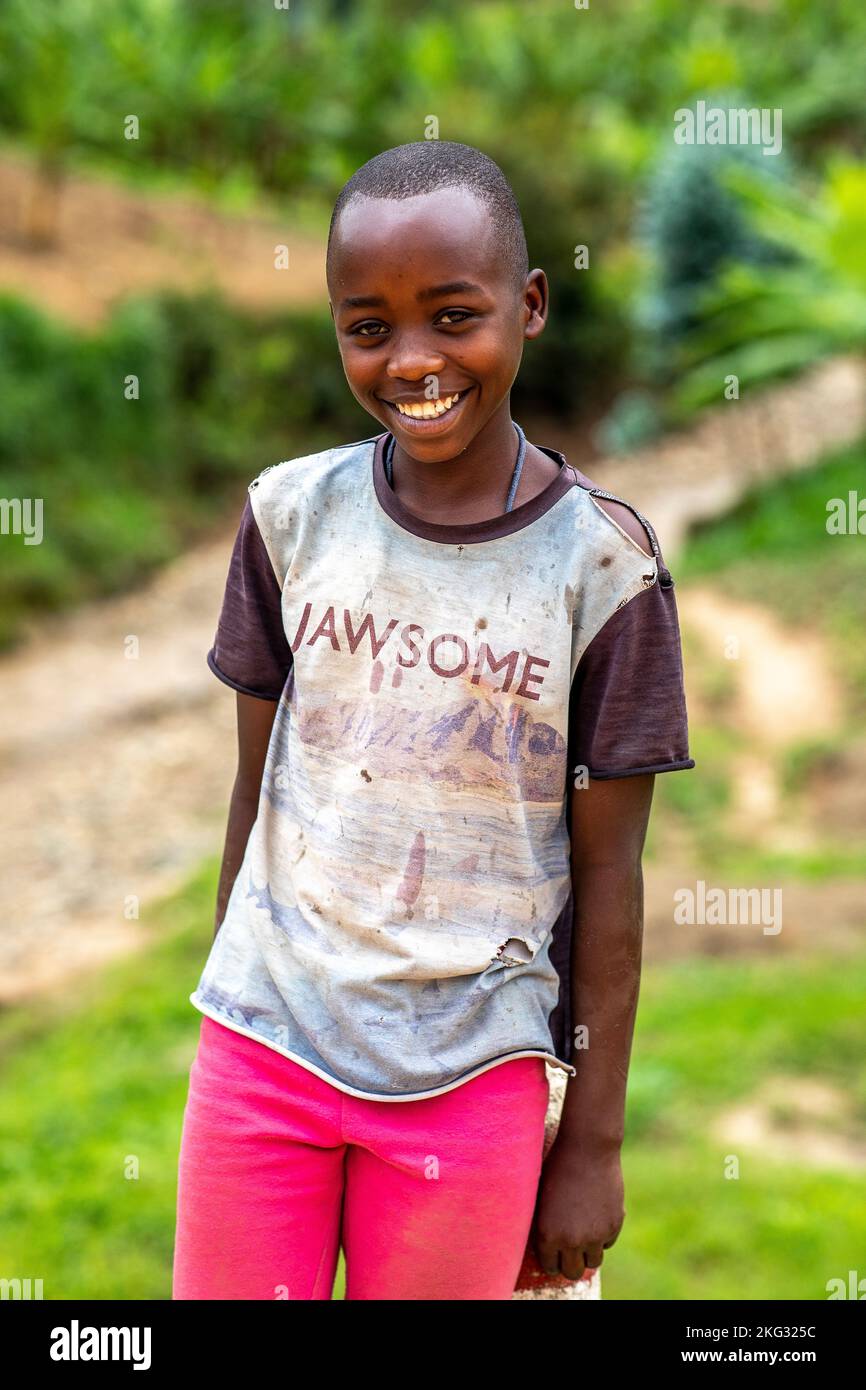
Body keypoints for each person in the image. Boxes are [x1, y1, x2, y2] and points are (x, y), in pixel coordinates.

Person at [171, 140, 695, 1302]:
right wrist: (231, 991)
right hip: (266, 1050)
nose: (412, 359)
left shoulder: (601, 570)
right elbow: (252, 790)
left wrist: (593, 1142)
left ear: (529, 305)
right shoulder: (288, 517)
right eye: (367, 326)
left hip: (472, 1076)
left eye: (451, 315)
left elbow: (610, 871)